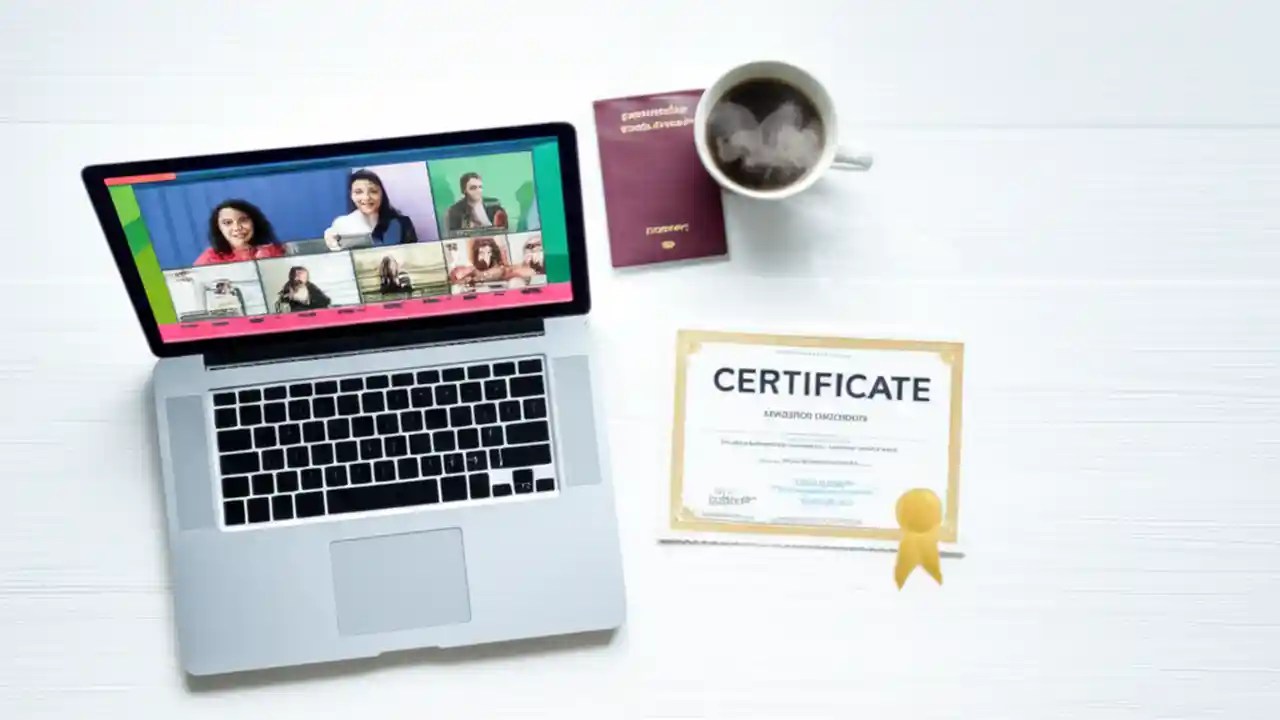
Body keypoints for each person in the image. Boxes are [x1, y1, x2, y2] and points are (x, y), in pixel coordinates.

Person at [324, 170, 419, 249]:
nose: (366, 197)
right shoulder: (342, 224)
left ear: (382, 194)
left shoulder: (402, 223)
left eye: (373, 191)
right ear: (351, 195)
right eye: (358, 192)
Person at [194, 199, 286, 266]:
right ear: (218, 228)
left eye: (243, 220)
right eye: (228, 223)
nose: (237, 228)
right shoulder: (207, 260)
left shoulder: (275, 252)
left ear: (254, 222)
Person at [447, 237, 534, 287]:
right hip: (513, 274)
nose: (463, 271)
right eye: (464, 277)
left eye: (458, 269)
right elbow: (500, 271)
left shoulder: (472, 261)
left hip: (512, 268)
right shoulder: (477, 277)